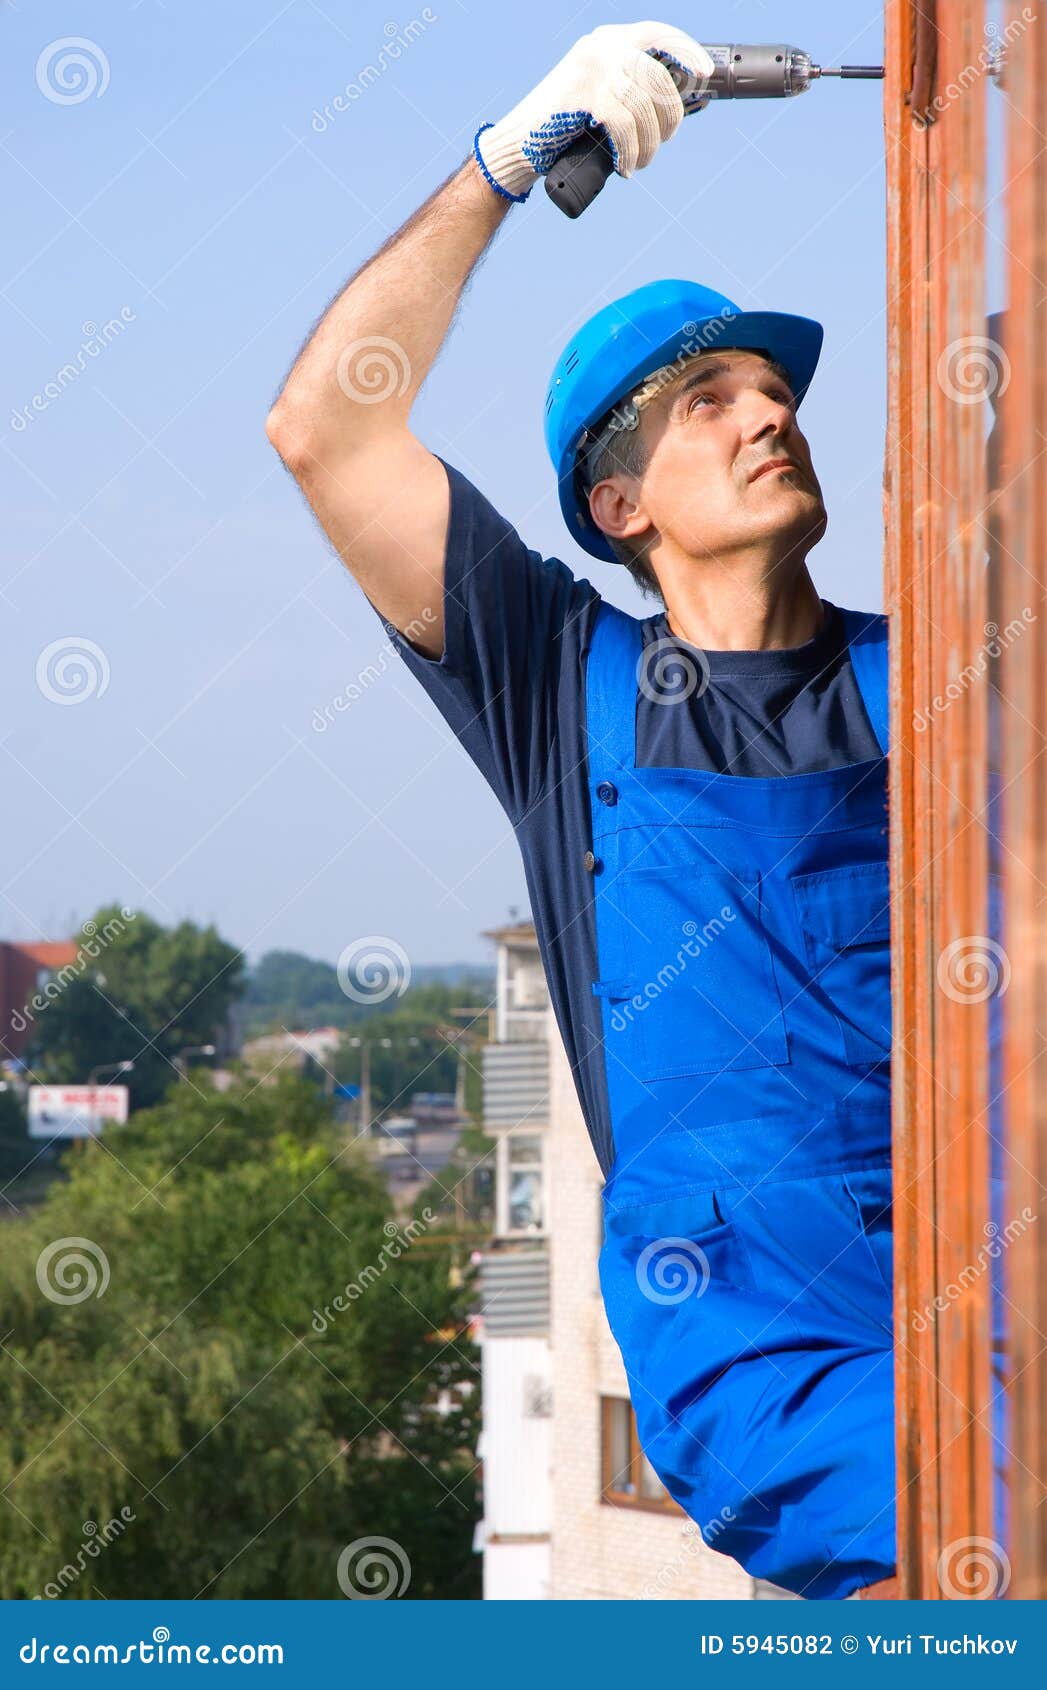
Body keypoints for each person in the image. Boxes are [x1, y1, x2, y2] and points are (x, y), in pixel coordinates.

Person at [266, 21, 896, 1600]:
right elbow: (326, 428)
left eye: (775, 391)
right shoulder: (563, 681)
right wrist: (504, 156)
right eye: (711, 401)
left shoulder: (942, 678)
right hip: (767, 1335)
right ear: (619, 506)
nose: (771, 416)